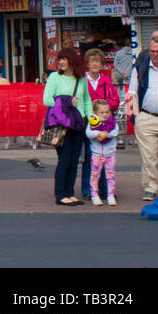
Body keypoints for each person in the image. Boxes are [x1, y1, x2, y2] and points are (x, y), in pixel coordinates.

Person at [125, 30, 158, 201]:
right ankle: (150, 187)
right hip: (146, 117)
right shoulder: (140, 67)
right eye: (152, 51)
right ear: (149, 50)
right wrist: (137, 115)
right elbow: (132, 91)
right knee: (148, 157)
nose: (155, 54)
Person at [44, 47, 91, 205]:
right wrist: (66, 101)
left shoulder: (81, 78)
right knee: (64, 160)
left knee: (74, 160)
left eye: (65, 58)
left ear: (72, 60)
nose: (61, 62)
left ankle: (70, 192)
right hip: (61, 124)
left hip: (78, 123)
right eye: (60, 59)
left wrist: (90, 118)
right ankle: (61, 194)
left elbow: (86, 100)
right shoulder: (54, 77)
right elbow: (47, 99)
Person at [80, 47, 118, 200]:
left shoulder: (107, 81)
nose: (95, 64)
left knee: (106, 157)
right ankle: (88, 190)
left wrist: (103, 105)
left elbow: (115, 101)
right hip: (88, 123)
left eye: (98, 61)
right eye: (92, 61)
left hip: (106, 125)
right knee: (90, 157)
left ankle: (104, 189)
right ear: (87, 64)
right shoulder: (82, 80)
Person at [85, 98, 118, 206]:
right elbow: (88, 133)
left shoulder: (112, 121)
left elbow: (115, 131)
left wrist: (106, 135)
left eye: (107, 112)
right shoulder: (92, 122)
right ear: (96, 113)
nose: (105, 114)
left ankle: (110, 195)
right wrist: (98, 133)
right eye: (102, 112)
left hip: (110, 154)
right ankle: (94, 195)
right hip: (96, 154)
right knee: (95, 175)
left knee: (110, 176)